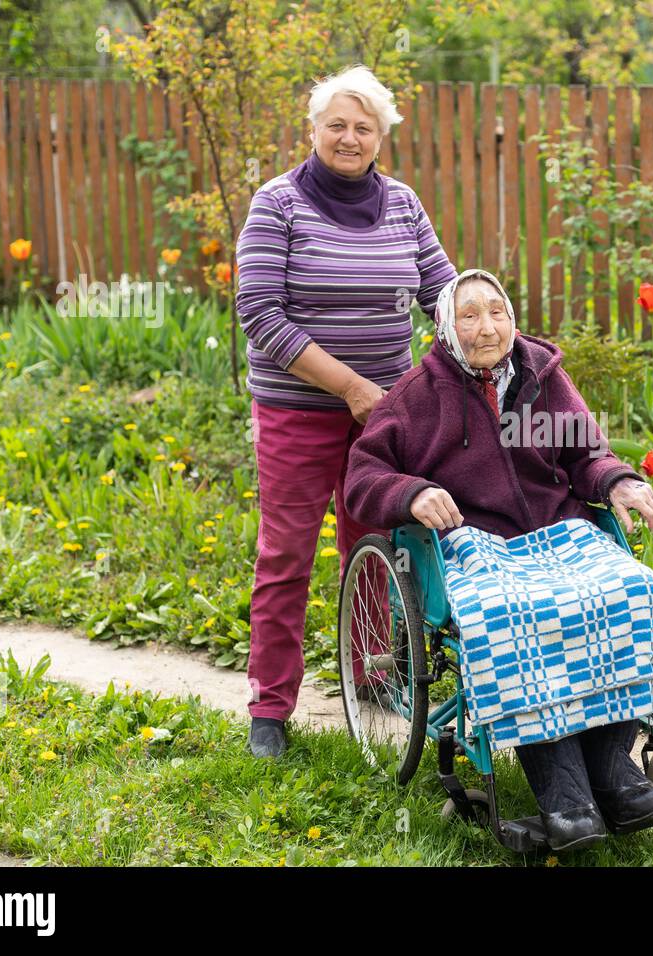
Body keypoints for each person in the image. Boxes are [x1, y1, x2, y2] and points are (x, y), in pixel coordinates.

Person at [344, 268, 653, 852]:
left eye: (496, 312)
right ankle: (565, 794)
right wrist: (412, 493)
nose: (486, 326)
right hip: (477, 545)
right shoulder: (417, 396)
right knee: (514, 617)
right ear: (447, 325)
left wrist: (618, 480)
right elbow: (364, 476)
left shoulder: (543, 376)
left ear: (512, 318)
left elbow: (587, 456)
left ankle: (611, 768)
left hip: (563, 535)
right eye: (469, 315)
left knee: (642, 596)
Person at [235, 64, 457, 758]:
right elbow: (260, 314)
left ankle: (368, 684)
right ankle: (270, 710)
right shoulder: (278, 204)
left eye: (365, 127)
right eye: (337, 123)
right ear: (313, 130)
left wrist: (483, 334)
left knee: (376, 549)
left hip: (383, 418)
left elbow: (441, 291)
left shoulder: (402, 205)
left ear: (383, 137)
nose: (350, 137)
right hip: (298, 414)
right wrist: (352, 388)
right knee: (285, 557)